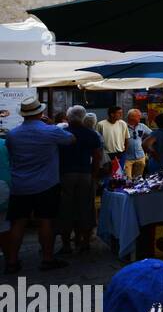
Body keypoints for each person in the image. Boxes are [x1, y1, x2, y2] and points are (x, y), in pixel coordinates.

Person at [3, 94, 74, 272]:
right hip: (46, 184)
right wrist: (50, 125)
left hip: (20, 185)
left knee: (18, 223)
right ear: (40, 113)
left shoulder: (12, 135)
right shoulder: (50, 130)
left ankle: (11, 262)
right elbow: (71, 139)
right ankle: (47, 259)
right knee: (45, 222)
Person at [57, 105, 102, 257]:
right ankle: (84, 242)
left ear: (69, 117)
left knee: (65, 209)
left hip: (65, 174)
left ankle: (66, 244)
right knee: (86, 208)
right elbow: (97, 157)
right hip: (85, 174)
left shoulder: (62, 133)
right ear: (83, 117)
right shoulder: (92, 134)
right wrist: (94, 175)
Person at [96, 106, 129, 176]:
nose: (121, 115)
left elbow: (126, 138)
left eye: (121, 113)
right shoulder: (101, 124)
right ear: (112, 114)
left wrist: (124, 152)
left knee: (119, 175)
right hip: (107, 154)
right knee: (107, 174)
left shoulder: (123, 124)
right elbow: (97, 140)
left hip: (120, 153)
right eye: (119, 113)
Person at [123, 109, 151, 180]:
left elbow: (152, 135)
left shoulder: (142, 126)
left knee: (138, 179)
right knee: (127, 179)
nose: (140, 118)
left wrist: (147, 144)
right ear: (131, 117)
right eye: (138, 116)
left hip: (140, 156)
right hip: (127, 158)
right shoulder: (123, 126)